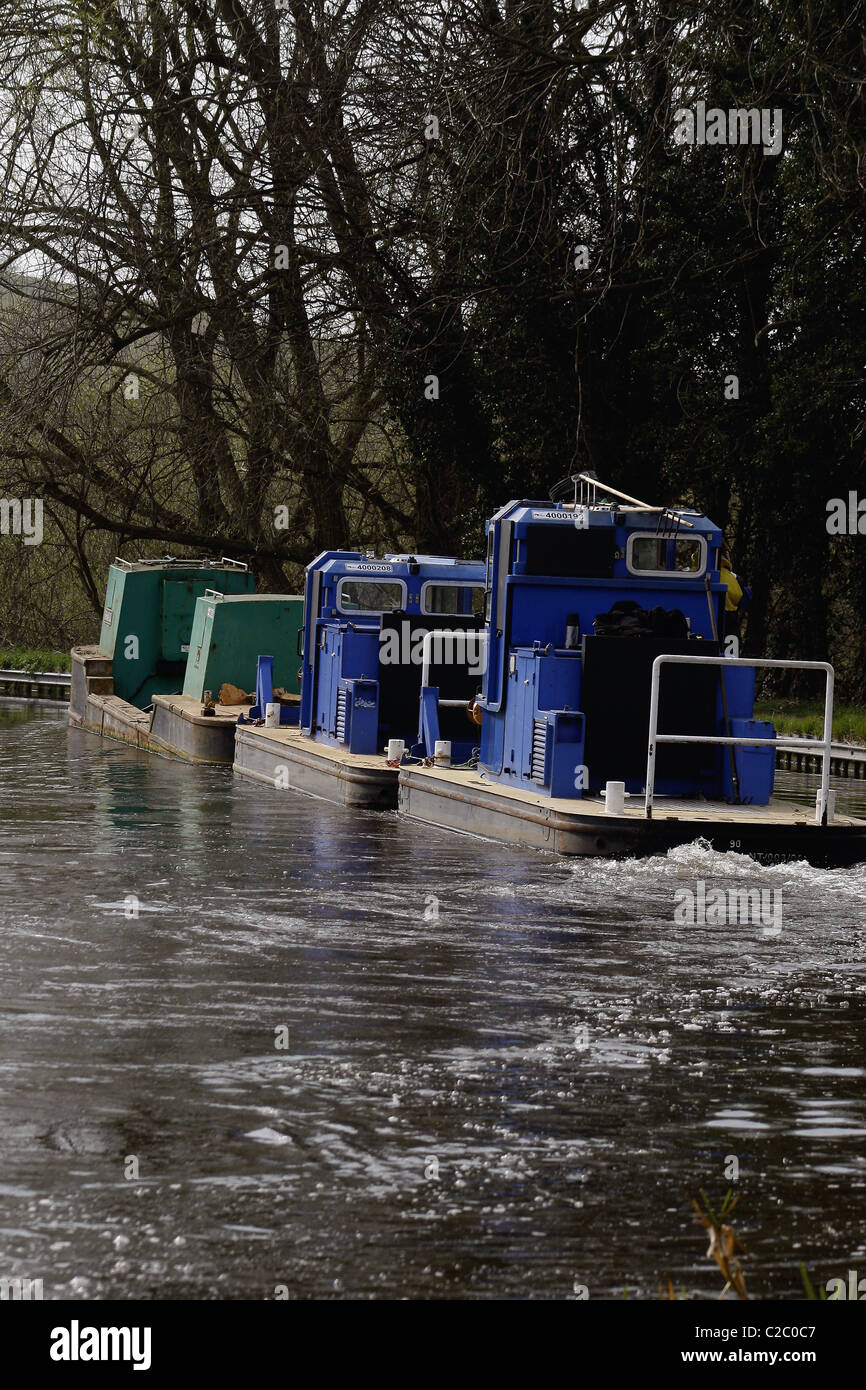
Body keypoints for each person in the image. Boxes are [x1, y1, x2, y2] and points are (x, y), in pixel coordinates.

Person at [719, 547, 752, 639]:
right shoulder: (735, 578)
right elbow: (744, 600)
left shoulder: (691, 572)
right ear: (726, 556)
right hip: (728, 618)